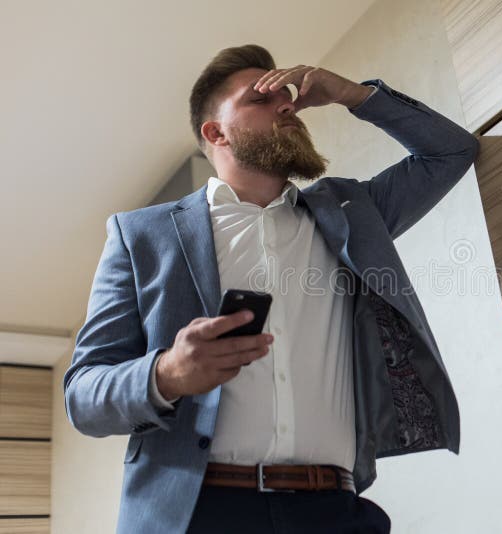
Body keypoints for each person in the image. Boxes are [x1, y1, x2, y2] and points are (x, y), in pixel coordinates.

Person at [64, 44, 479, 533]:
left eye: (285, 95)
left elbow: (451, 151)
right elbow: (83, 396)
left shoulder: (351, 213)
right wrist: (169, 374)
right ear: (215, 132)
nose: (285, 104)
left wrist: (352, 94)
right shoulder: (140, 236)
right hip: (197, 515)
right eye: (258, 100)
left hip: (334, 514)